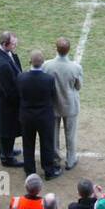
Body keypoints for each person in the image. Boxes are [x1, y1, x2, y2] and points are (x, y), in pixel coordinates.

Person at [17, 49, 59, 179]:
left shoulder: (21, 77)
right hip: (44, 117)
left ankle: (30, 171)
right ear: (42, 63)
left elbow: (19, 95)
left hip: (27, 116)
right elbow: (53, 96)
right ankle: (49, 171)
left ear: (30, 62)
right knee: (47, 144)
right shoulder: (49, 79)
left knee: (28, 144)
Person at [42, 38, 83, 171]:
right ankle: (70, 160)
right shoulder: (75, 67)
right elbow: (78, 86)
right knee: (70, 135)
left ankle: (55, 158)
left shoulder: (46, 65)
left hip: (53, 105)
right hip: (70, 105)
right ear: (68, 50)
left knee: (53, 134)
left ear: (56, 49)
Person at [0, 31, 23, 167]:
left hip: (2, 102)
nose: (15, 45)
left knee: (5, 129)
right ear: (5, 44)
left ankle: (5, 151)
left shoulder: (0, 54)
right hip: (6, 105)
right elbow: (10, 90)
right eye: (13, 44)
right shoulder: (3, 64)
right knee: (7, 129)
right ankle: (7, 157)